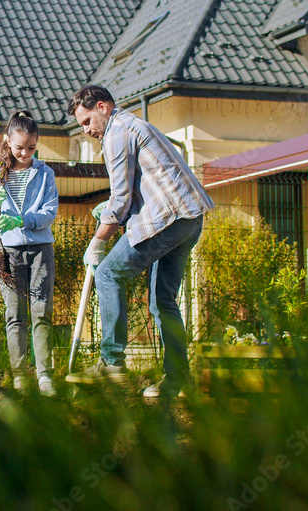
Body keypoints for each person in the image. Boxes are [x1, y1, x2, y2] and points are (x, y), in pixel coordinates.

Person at [64, 85, 214, 397]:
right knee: (163, 300)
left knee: (107, 273)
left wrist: (98, 241)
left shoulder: (117, 132)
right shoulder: (133, 126)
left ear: (103, 107)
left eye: (86, 121)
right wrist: (107, 210)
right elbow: (134, 190)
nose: (86, 130)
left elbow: (120, 199)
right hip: (190, 218)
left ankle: (111, 362)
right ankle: (178, 380)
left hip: (167, 218)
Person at [0, 110, 60, 397]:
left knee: (41, 313)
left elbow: (49, 213)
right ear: (7, 142)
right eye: (18, 147)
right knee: (15, 315)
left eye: (31, 147)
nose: (25, 153)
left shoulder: (45, 173)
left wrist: (21, 219)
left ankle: (45, 376)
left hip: (40, 251)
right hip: (8, 252)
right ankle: (19, 377)